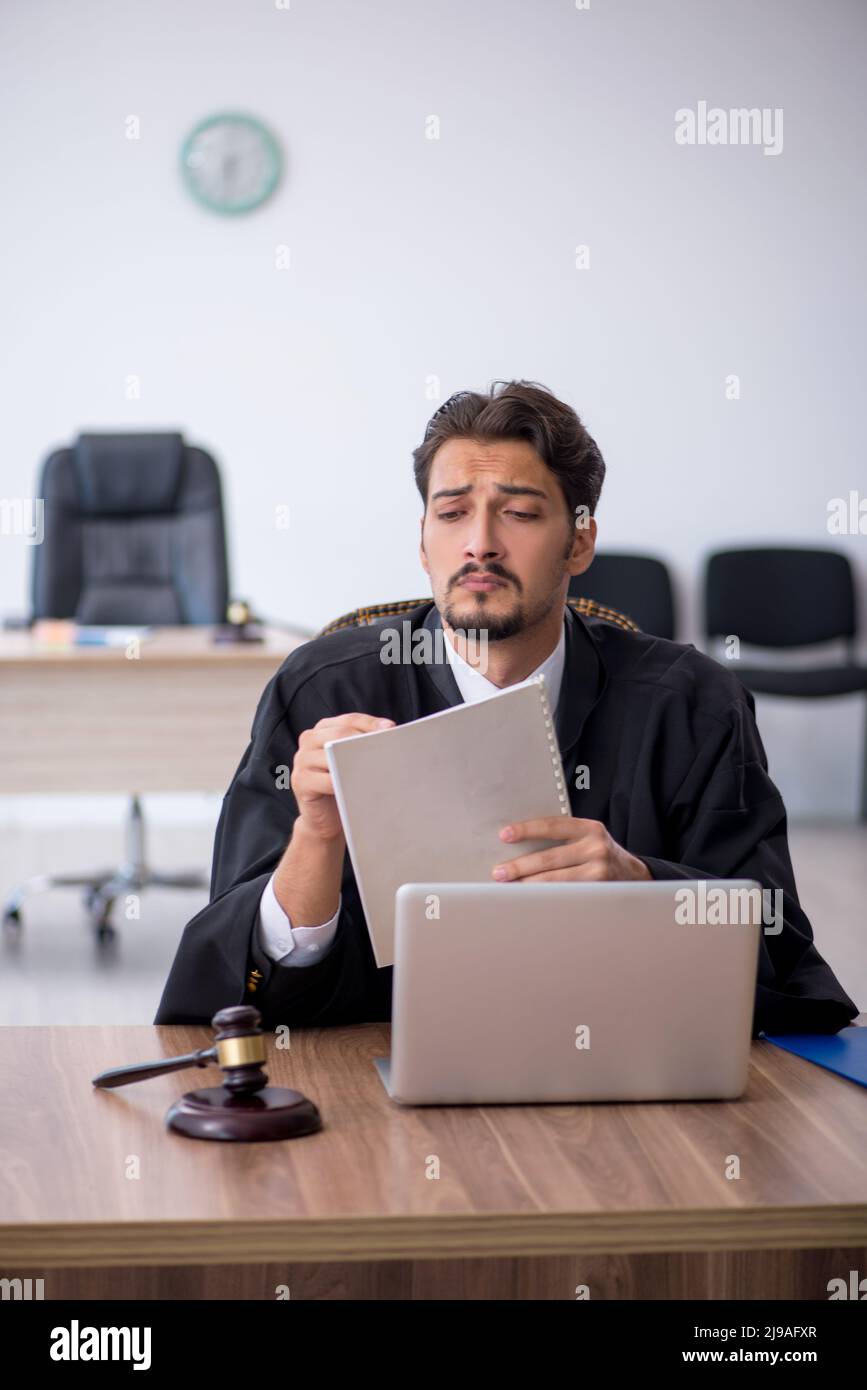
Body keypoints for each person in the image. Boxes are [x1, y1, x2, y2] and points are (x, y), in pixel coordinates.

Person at [155, 380, 859, 1036]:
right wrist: (315, 837)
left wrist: (645, 888)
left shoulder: (691, 704)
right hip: (365, 1085)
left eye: (519, 513)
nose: (480, 542)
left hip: (622, 1075)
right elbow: (235, 979)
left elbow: (773, 935)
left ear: (579, 541)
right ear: (423, 541)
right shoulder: (322, 691)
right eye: (451, 512)